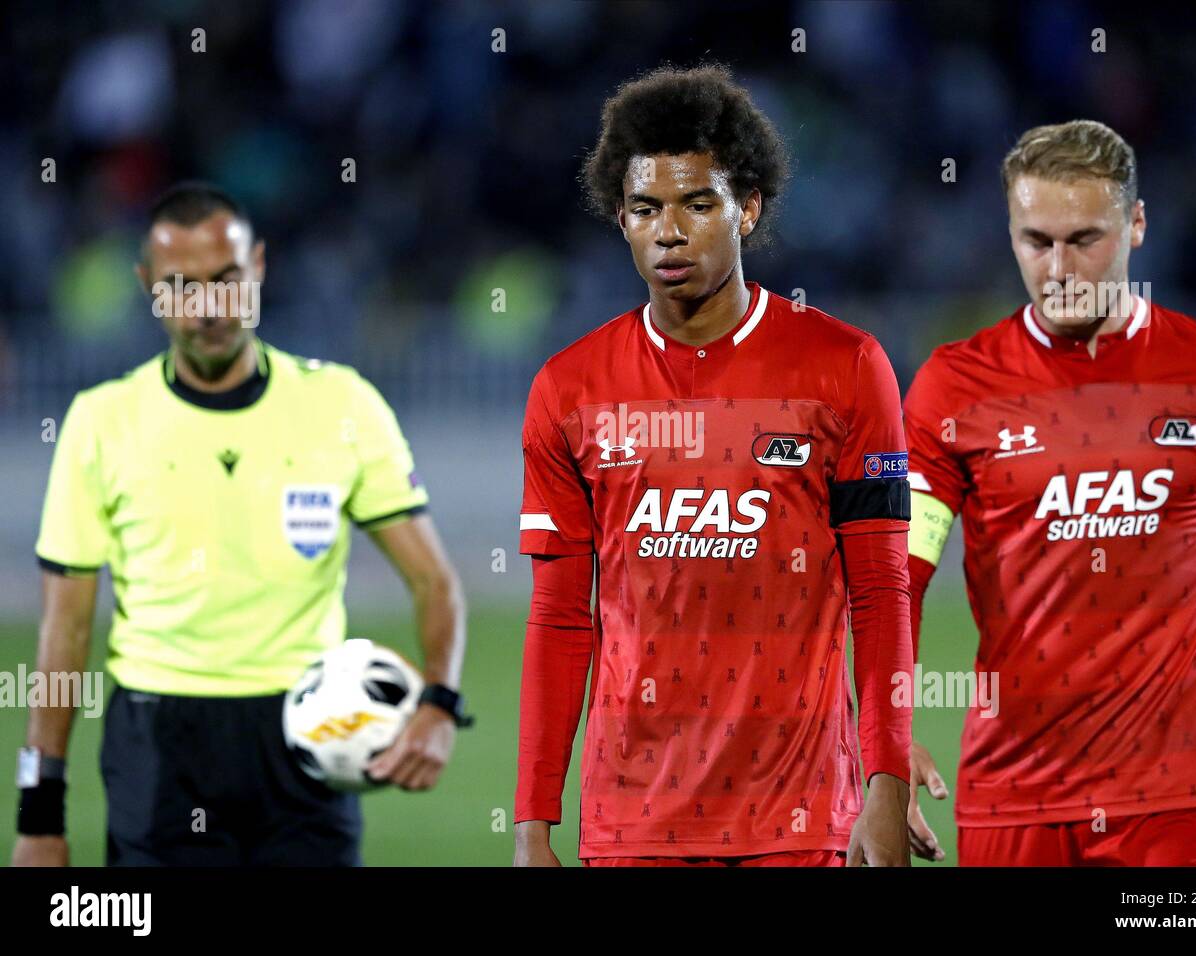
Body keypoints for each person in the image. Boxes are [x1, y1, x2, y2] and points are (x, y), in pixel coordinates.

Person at [513, 64, 913, 867]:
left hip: (801, 820)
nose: (670, 231)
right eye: (645, 209)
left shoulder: (847, 367)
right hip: (633, 824)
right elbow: (560, 619)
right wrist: (532, 828)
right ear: (619, 219)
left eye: (698, 204)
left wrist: (886, 789)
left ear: (748, 208)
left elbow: (880, 593)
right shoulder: (568, 390)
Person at [13, 182, 469, 866]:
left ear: (258, 267)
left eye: (226, 279)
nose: (208, 308)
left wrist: (438, 704)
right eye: (181, 286)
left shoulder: (343, 404)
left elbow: (435, 582)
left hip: (307, 736)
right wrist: (38, 813)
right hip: (158, 747)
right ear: (148, 287)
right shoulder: (100, 421)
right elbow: (64, 629)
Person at [903, 120, 1196, 866]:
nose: (1059, 268)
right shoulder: (953, 387)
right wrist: (884, 747)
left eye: (1085, 239)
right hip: (1014, 795)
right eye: (1035, 241)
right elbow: (901, 576)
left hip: (1181, 796)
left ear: (1137, 226)